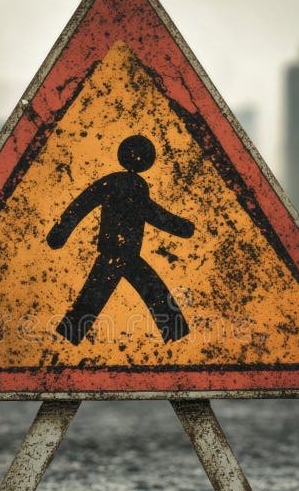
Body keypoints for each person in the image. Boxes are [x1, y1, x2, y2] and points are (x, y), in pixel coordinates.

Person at [47, 135, 194, 345]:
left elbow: (82, 203)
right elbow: (155, 214)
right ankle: (177, 335)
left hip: (121, 254)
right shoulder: (126, 185)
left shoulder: (121, 183)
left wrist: (59, 233)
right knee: (148, 293)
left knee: (103, 297)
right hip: (118, 254)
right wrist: (183, 227)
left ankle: (177, 335)